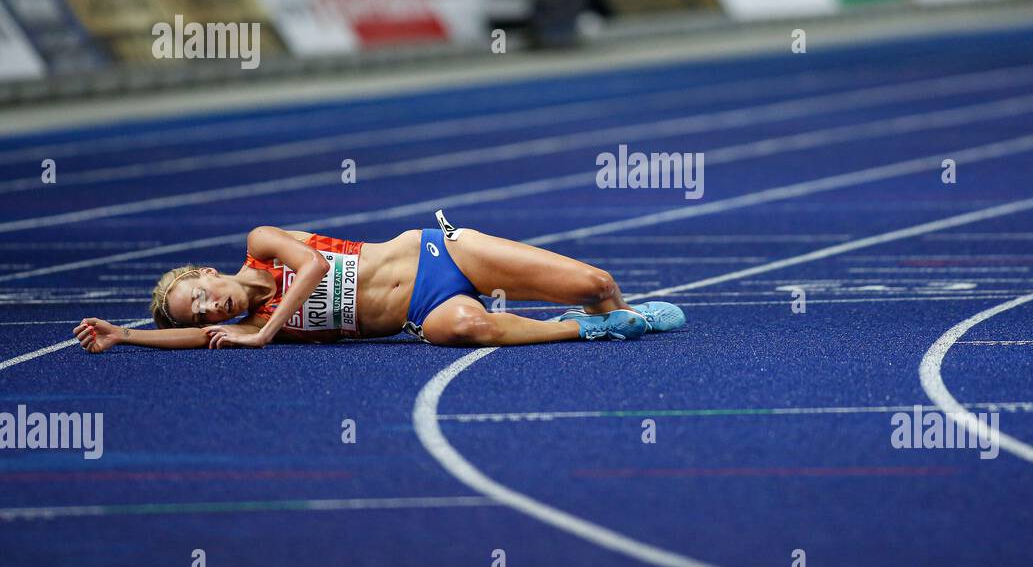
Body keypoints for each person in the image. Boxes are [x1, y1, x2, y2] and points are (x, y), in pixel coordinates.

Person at [74, 211, 684, 352]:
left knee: (596, 279)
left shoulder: (260, 249)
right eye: (200, 315)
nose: (210, 310)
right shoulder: (251, 325)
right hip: (426, 312)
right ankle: (601, 330)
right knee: (463, 328)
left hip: (445, 255)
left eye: (200, 296)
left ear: (208, 273)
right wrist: (124, 335)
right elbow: (189, 344)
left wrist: (261, 337)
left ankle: (611, 307)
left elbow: (311, 268)